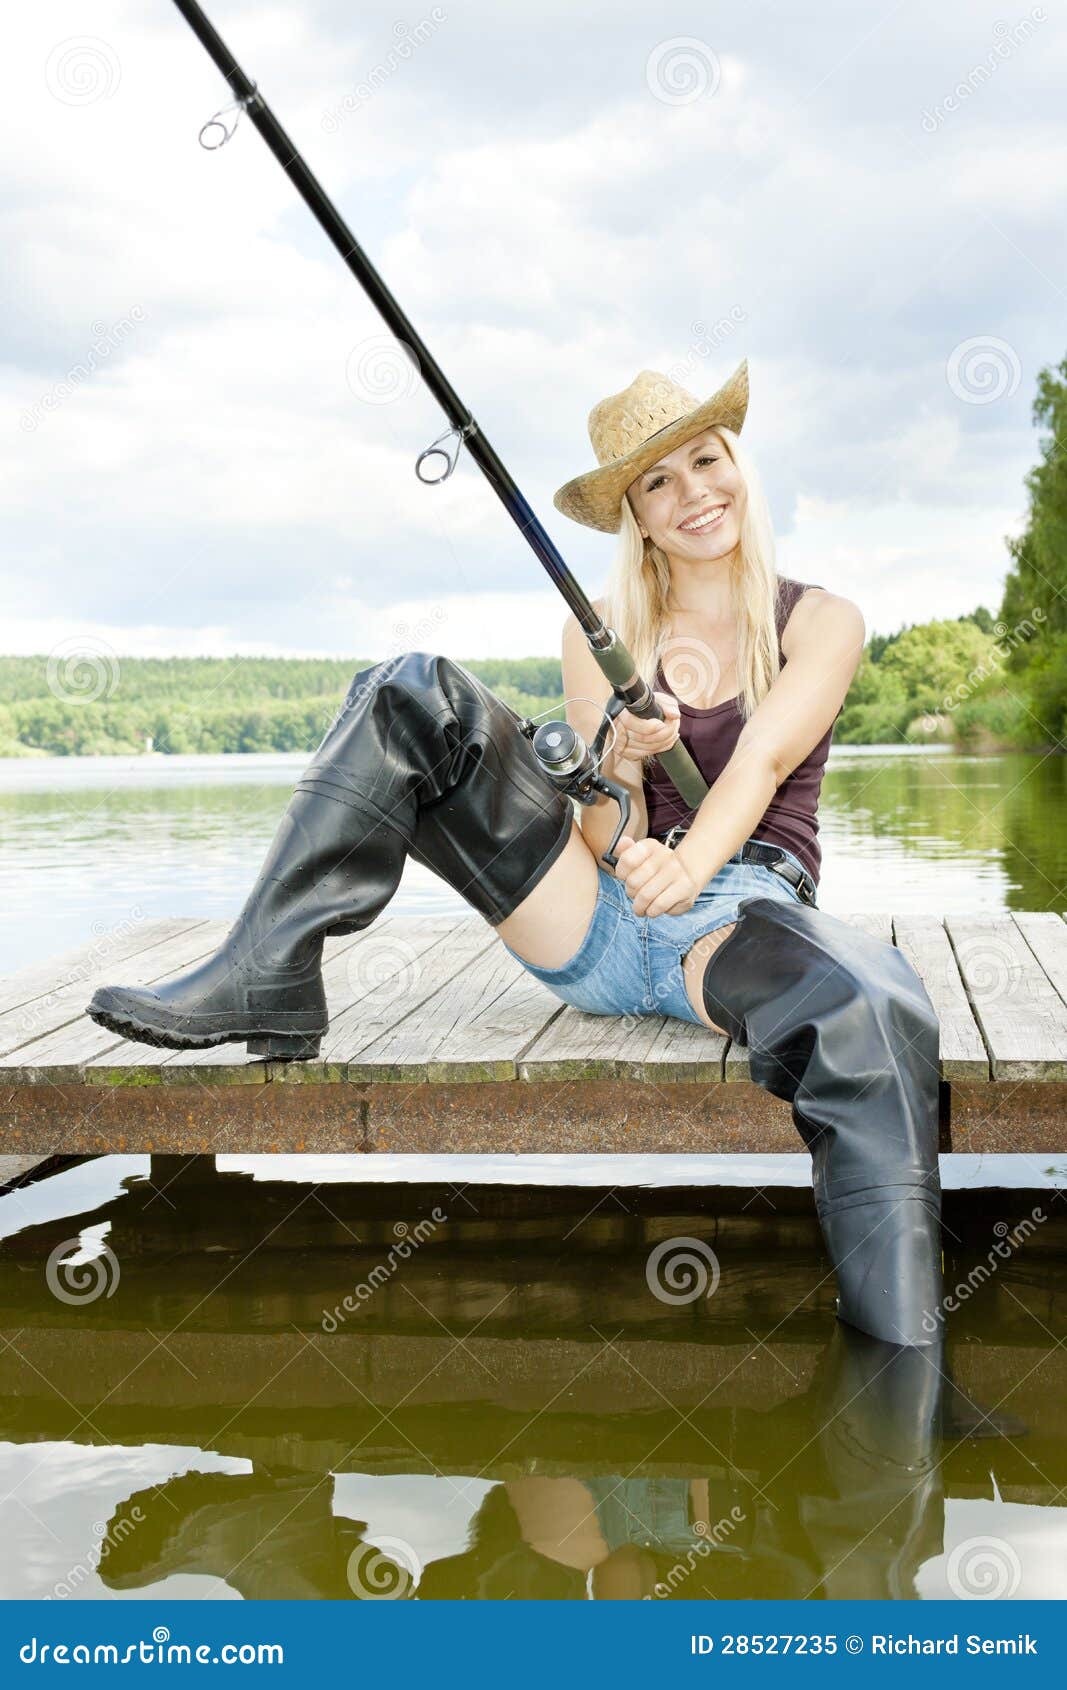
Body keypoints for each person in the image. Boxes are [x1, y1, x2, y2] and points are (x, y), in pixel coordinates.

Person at [86, 357, 943, 1348]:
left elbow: (758, 764)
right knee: (412, 692)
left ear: (737, 465)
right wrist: (617, 764)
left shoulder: (821, 620)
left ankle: (898, 1371)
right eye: (657, 481)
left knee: (866, 1004)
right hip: (595, 922)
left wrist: (692, 867)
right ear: (635, 513)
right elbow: (592, 832)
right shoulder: (601, 632)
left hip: (735, 921)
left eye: (705, 461)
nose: (693, 493)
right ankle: (264, 969)